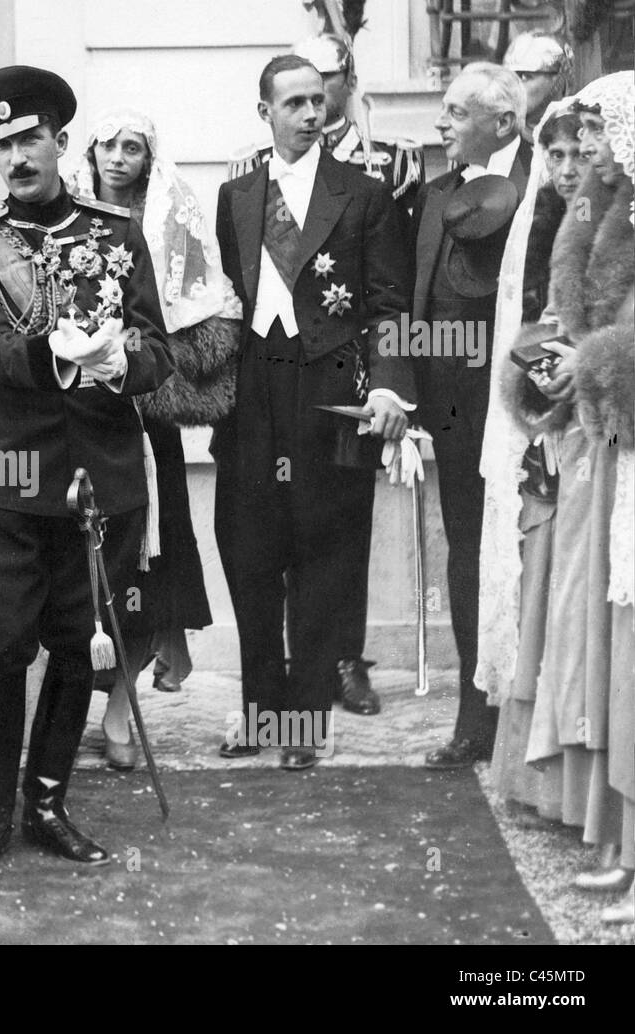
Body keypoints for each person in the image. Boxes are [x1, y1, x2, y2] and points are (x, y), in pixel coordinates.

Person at [0, 65, 173, 879]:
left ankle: (47, 803)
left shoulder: (115, 232)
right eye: (2, 145)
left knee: (80, 646)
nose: (17, 157)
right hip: (3, 477)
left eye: (30, 138)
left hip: (97, 476)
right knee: (0, 651)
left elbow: (160, 352)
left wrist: (120, 360)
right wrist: (61, 352)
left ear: (60, 142)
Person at [212, 55, 412, 771]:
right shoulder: (235, 195)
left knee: (324, 553)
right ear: (262, 110)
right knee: (249, 549)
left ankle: (301, 725)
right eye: (292, 102)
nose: (309, 113)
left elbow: (390, 304)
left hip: (329, 389)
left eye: (316, 100)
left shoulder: (363, 194)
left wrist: (387, 386)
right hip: (253, 389)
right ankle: (261, 712)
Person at [499, 72, 635, 925]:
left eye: (601, 135)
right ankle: (620, 840)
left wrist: (592, 363)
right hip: (602, 449)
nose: (587, 152)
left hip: (626, 449)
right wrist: (549, 361)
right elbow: (573, 318)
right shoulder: (600, 207)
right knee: (608, 645)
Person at [69, 105, 242, 768]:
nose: (118, 157)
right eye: (107, 145)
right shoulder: (68, 219)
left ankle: (121, 704)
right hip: (79, 418)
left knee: (151, 559)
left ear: (148, 157)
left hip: (147, 414)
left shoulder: (167, 219)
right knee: (85, 559)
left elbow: (206, 313)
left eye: (132, 147)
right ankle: (77, 699)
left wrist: (155, 362)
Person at [413, 63, 532, 770]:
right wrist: (409, 390)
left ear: (504, 122)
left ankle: (535, 723)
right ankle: (474, 718)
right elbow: (415, 304)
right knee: (468, 553)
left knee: (534, 555)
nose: (442, 122)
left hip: (530, 413)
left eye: (457, 111)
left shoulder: (548, 185)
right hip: (457, 416)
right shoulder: (434, 194)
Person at [483, 106, 586, 817]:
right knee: (546, 584)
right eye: (554, 153)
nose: (568, 167)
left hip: (606, 430)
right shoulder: (547, 220)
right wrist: (538, 368)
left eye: (580, 151)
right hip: (555, 431)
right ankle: (538, 776)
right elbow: (530, 324)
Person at [229, 33, 424, 221]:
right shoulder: (254, 163)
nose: (314, 83)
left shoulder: (396, 161)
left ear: (352, 81)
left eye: (326, 74)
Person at [502, 30, 575, 137]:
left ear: (559, 79)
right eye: (510, 78)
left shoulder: (582, 140)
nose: (512, 87)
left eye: (524, 76)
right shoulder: (497, 147)